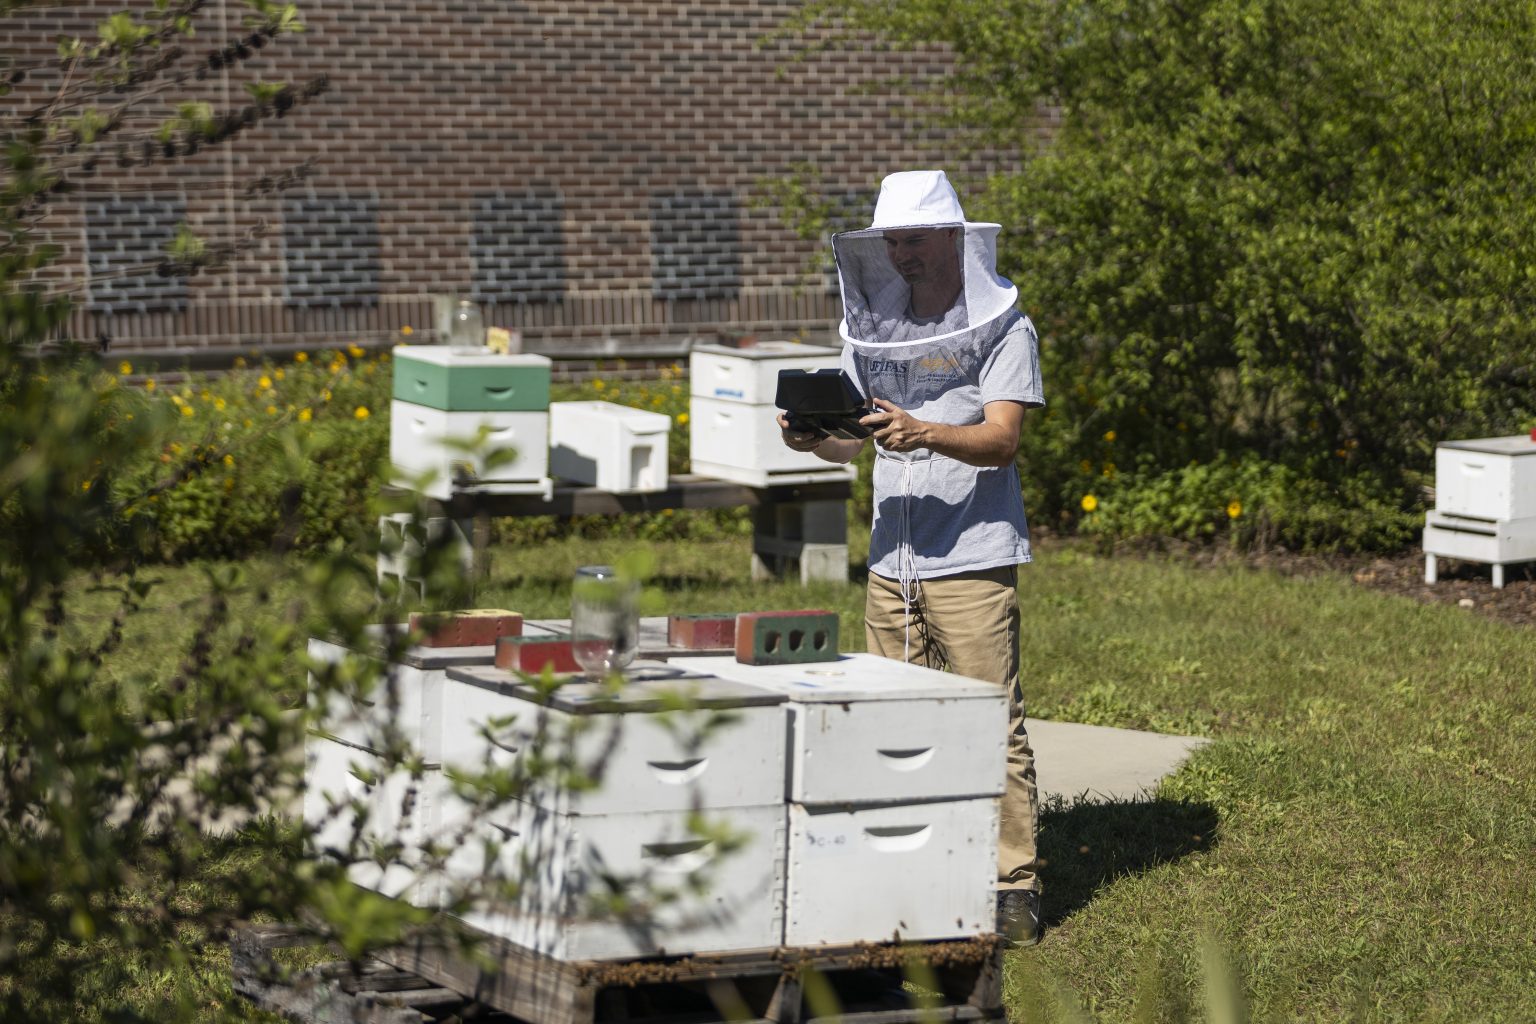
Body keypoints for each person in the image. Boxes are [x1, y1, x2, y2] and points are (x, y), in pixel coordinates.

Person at [777, 169, 1045, 946]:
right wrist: (808, 434)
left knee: (991, 717)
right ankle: (918, 873)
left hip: (971, 552)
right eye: (892, 239)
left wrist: (925, 430)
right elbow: (850, 440)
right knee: (895, 722)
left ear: (954, 237)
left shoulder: (1005, 326)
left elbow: (1002, 440)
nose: (902, 253)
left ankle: (1012, 885)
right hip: (891, 561)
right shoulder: (876, 324)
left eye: (915, 238)